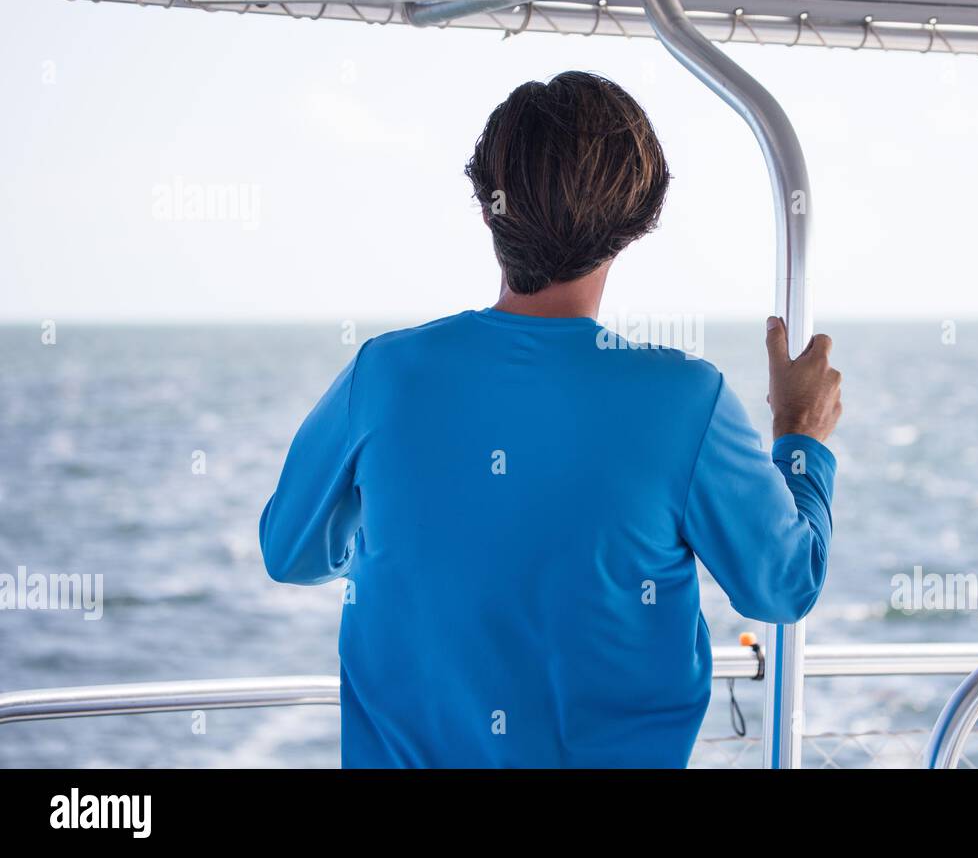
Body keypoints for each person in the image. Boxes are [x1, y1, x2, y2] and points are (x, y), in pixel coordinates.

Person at [259, 71, 842, 767]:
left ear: (487, 208)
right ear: (637, 223)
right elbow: (782, 586)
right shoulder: (685, 401)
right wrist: (800, 433)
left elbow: (288, 552)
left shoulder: (384, 375)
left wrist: (420, 541)